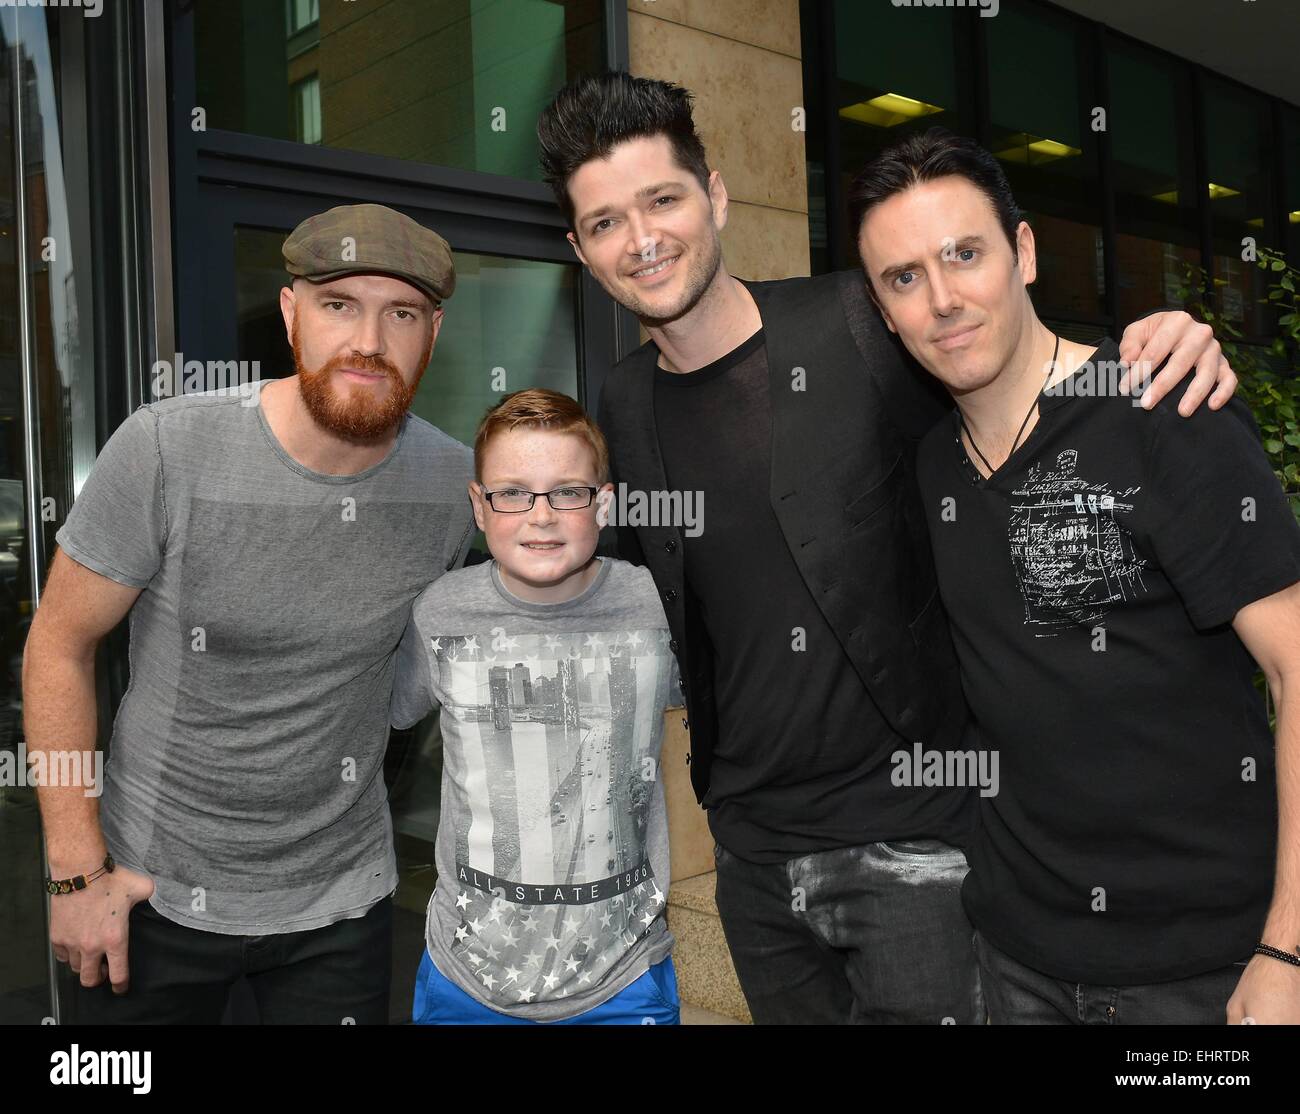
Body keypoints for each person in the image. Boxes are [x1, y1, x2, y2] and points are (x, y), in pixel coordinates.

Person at [536, 71, 1240, 1024]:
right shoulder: (621, 402)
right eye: (607, 221)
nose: (644, 237)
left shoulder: (857, 321)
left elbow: (1001, 365)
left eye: (662, 198)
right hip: (750, 857)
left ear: (717, 197)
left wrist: (1149, 349)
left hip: (917, 839)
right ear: (580, 249)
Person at [855, 126, 1300, 1024]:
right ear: (882, 308)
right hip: (1015, 955)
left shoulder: (1162, 404)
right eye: (904, 278)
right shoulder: (930, 465)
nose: (941, 299)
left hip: (1207, 965)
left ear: (1022, 254)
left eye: (964, 254)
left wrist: (1287, 947)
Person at [22, 203, 474, 1023]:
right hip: (144, 890)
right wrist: (73, 871)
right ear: (293, 316)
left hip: (342, 902)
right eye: (340, 305)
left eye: (400, 313)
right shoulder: (167, 448)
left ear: (432, 334)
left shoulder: (454, 487)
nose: (370, 340)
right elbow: (58, 646)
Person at [393, 388, 680, 1024]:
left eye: (568, 492)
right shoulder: (440, 612)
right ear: (479, 504)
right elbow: (378, 719)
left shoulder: (657, 607)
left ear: (603, 504)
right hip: (465, 974)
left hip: (623, 975)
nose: (541, 515)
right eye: (513, 492)